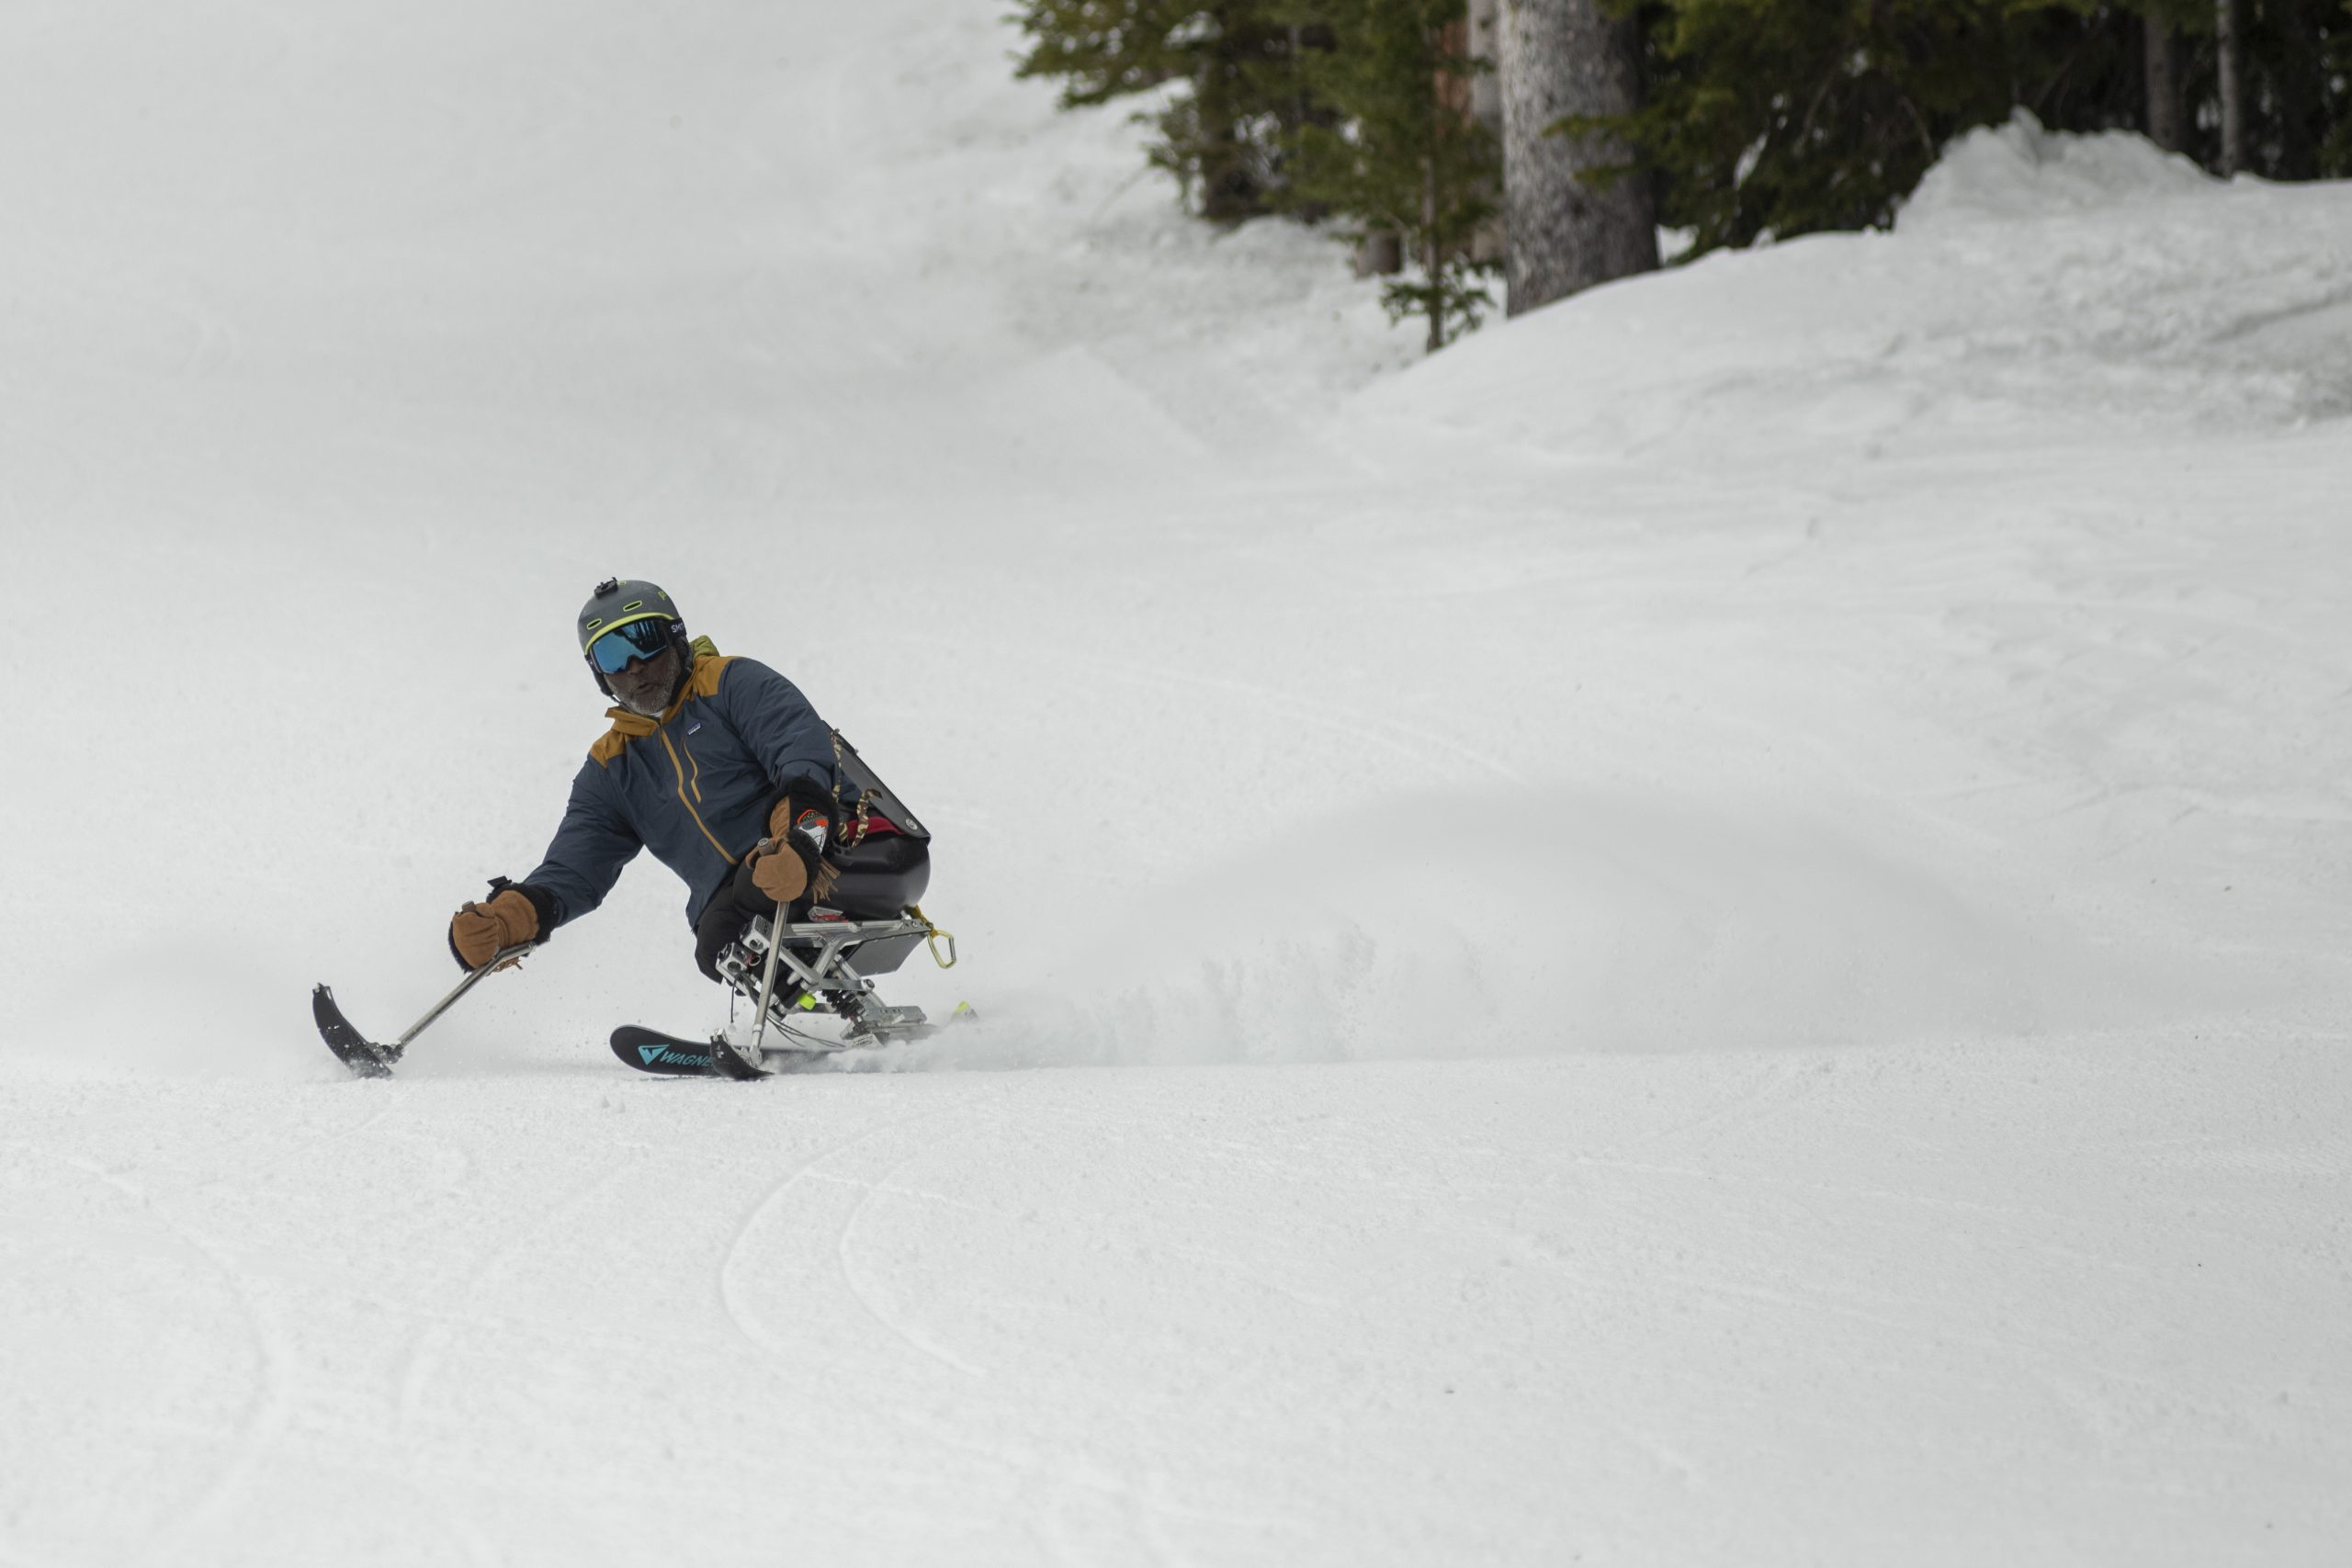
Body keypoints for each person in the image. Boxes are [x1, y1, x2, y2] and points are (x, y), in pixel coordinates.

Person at [446, 577, 924, 987]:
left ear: (675, 640)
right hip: (748, 900)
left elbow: (800, 755)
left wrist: (800, 840)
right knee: (716, 939)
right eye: (613, 654)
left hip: (854, 850)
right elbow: (575, 868)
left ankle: (818, 999)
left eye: (646, 641)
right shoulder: (613, 768)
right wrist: (511, 920)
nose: (634, 666)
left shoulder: (732, 683)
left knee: (755, 889)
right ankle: (825, 1017)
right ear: (599, 674)